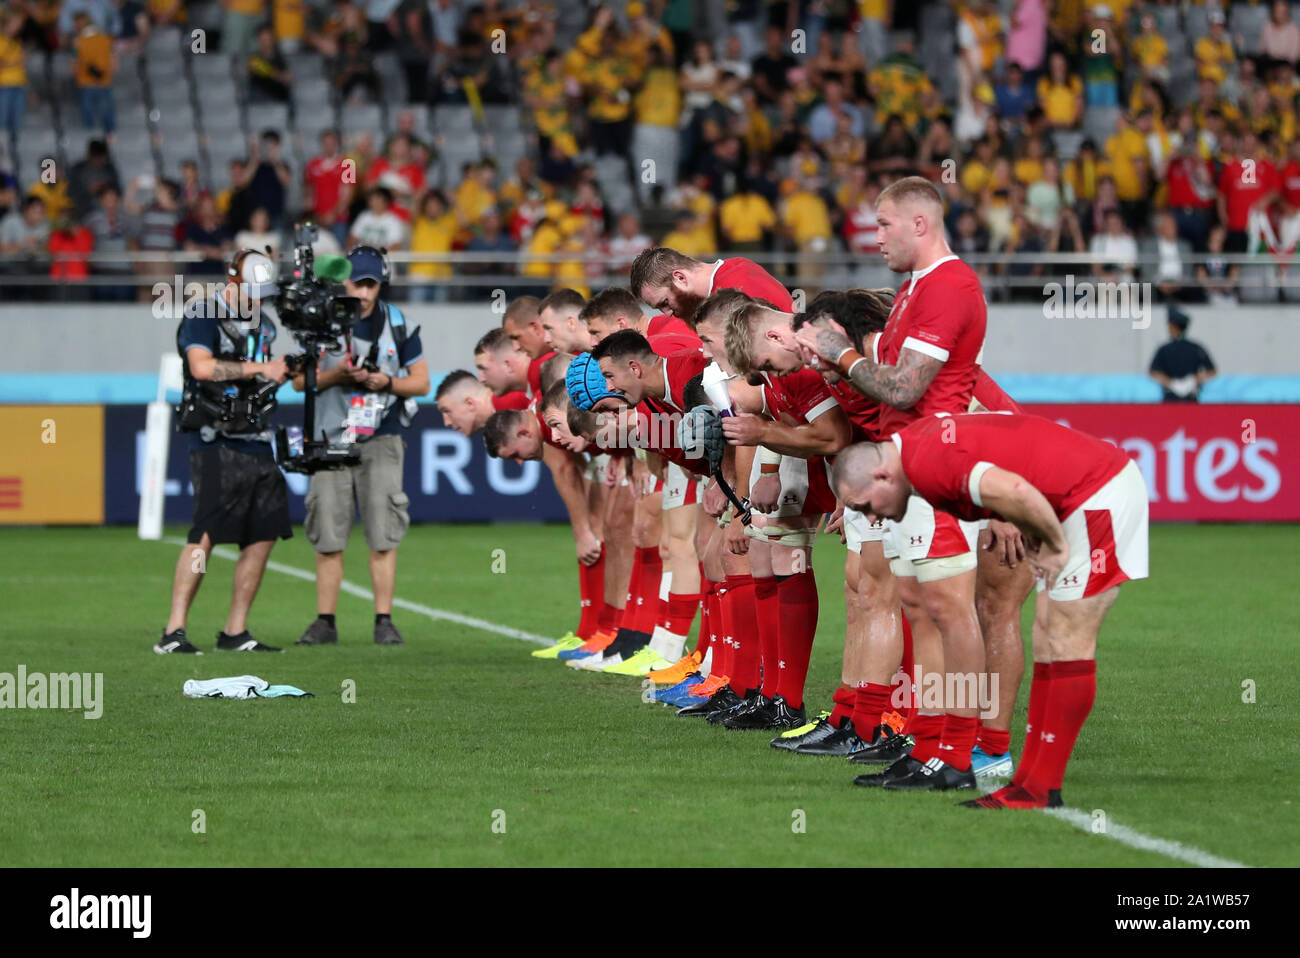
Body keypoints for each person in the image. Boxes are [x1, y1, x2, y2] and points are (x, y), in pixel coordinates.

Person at [831, 411, 1149, 807]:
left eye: (866, 506)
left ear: (881, 476)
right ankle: (1030, 781)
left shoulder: (925, 463)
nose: (873, 517)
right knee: (1049, 635)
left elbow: (1015, 488)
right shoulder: (916, 458)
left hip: (1096, 496)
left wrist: (1054, 543)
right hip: (1078, 495)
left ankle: (1037, 785)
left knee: (1067, 638)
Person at [291, 246, 430, 646]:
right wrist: (336, 375)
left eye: (370, 285)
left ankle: (383, 619)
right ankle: (325, 621)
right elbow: (301, 381)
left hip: (382, 434)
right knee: (328, 533)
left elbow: (421, 383)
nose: (364, 293)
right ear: (344, 282)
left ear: (380, 284)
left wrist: (384, 382)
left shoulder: (400, 323)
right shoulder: (321, 319)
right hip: (330, 436)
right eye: (357, 284)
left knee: (383, 531)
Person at [156, 249, 291, 654]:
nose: (259, 300)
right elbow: (200, 367)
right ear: (233, 283)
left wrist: (283, 374)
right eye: (253, 291)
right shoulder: (203, 315)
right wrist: (261, 370)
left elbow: (262, 376)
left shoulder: (263, 326)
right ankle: (173, 631)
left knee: (264, 533)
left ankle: (236, 631)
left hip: (254, 435)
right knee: (206, 533)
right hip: (213, 437)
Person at [1149, 307, 1216, 402]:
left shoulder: (1165, 349)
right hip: (1177, 396)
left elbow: (1154, 372)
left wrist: (1188, 382)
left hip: (1181, 397)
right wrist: (1190, 381)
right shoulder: (1196, 348)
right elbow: (1211, 371)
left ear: (1173, 326)